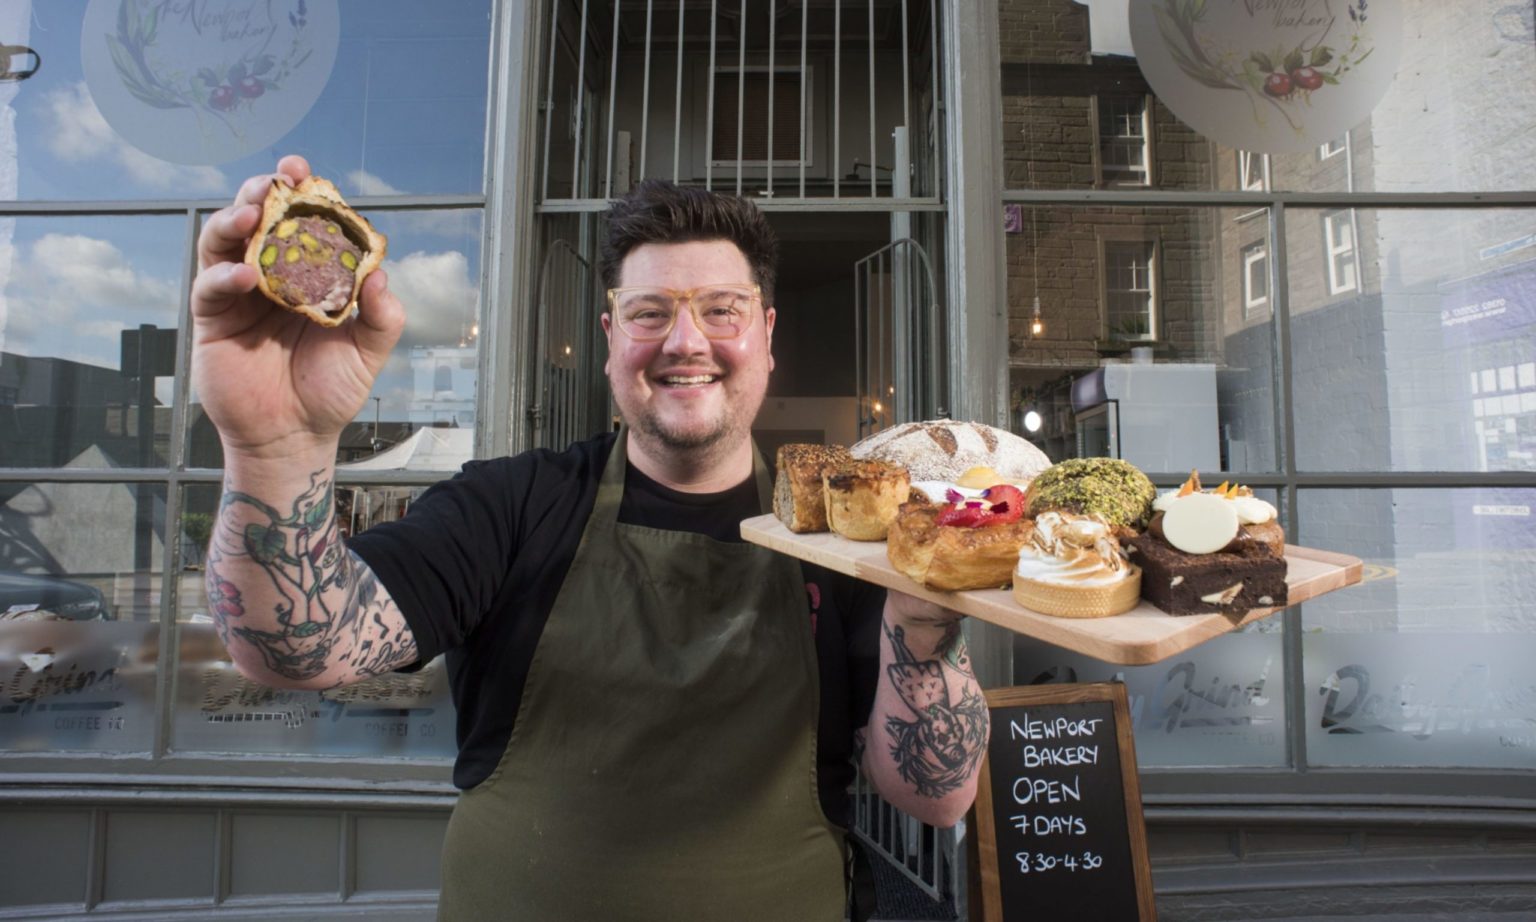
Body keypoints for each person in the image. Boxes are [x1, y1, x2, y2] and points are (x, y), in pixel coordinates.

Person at [192, 155, 989, 921]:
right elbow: (298, 647)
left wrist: (926, 617)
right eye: (650, 312)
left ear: (766, 335)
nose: (685, 341)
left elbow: (937, 792)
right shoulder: (511, 505)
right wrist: (274, 449)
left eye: (722, 309)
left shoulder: (840, 536)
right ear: (611, 336)